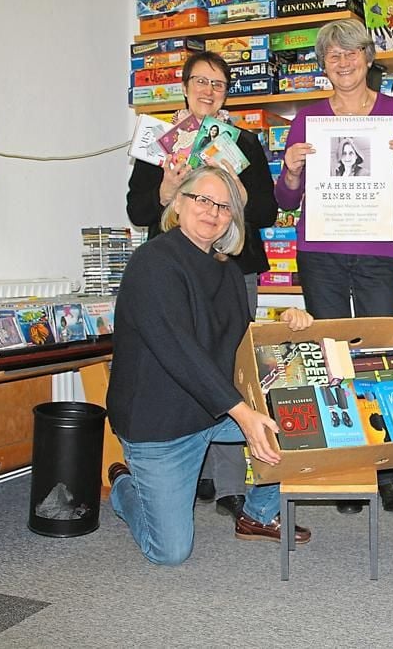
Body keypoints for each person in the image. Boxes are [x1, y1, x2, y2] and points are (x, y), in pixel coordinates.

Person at [108, 167, 314, 566]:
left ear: (232, 219)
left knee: (296, 414)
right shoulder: (152, 262)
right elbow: (179, 350)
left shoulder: (229, 271)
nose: (212, 211)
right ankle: (124, 487)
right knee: (169, 552)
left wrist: (284, 326)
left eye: (223, 205)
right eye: (201, 199)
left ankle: (257, 514)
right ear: (178, 204)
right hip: (159, 422)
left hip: (211, 412)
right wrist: (243, 414)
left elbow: (236, 343)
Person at [275, 18, 393, 514]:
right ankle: (343, 465)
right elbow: (285, 198)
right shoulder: (308, 118)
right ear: (323, 63)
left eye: (352, 52)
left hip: (378, 248)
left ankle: (386, 471)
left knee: (381, 354)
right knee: (329, 355)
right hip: (321, 250)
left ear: (369, 56)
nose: (344, 61)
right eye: (333, 54)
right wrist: (291, 168)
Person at [127, 50, 278, 519]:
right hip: (175, 271)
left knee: (231, 365)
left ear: (227, 91)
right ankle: (193, 472)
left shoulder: (245, 143)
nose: (208, 90)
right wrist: (169, 189)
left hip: (229, 267)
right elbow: (138, 211)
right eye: (200, 81)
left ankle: (232, 485)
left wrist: (236, 190)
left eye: (218, 83)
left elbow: (267, 214)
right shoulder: (161, 143)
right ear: (185, 87)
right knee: (178, 360)